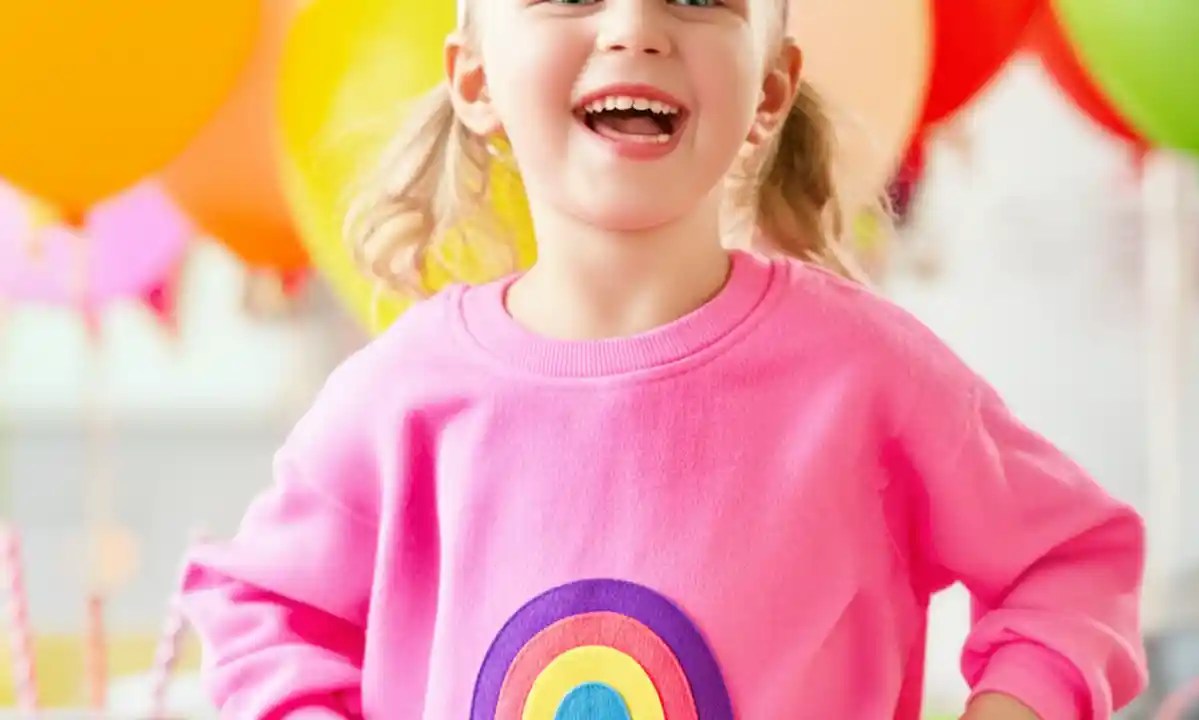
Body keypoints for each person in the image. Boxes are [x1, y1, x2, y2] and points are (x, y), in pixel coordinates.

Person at [180, 0, 1148, 717]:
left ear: (770, 89)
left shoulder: (868, 377)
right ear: (473, 79)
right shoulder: (398, 399)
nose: (636, 28)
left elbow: (1071, 563)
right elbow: (260, 612)